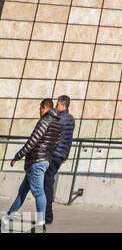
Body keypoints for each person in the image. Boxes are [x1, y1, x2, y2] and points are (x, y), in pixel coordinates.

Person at [3, 98, 61, 229]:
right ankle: (6, 218)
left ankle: (41, 224)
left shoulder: (45, 121)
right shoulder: (58, 124)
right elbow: (55, 144)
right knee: (22, 192)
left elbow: (32, 141)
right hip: (43, 160)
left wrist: (17, 156)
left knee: (39, 192)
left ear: (45, 108)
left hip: (36, 161)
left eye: (40, 108)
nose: (39, 110)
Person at [43, 95, 75, 227]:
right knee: (49, 181)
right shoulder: (71, 119)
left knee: (47, 183)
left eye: (57, 105)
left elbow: (54, 135)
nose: (56, 107)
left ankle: (48, 215)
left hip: (55, 154)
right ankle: (46, 215)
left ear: (63, 106)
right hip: (62, 155)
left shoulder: (60, 119)